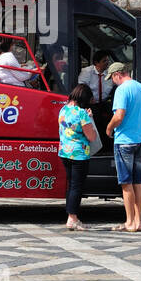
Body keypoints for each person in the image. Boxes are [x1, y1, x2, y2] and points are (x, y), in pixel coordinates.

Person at [106, 61, 141, 232]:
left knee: (126, 183)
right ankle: (138, 221)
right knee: (138, 182)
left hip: (124, 141)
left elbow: (119, 115)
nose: (113, 81)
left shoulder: (122, 90)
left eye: (112, 78)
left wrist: (109, 128)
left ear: (118, 74)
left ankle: (129, 222)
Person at [58, 83, 100, 231]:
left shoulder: (63, 110)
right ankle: (73, 218)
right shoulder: (82, 113)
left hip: (64, 152)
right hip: (79, 155)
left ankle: (70, 217)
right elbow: (91, 136)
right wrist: (90, 119)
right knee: (77, 186)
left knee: (71, 185)